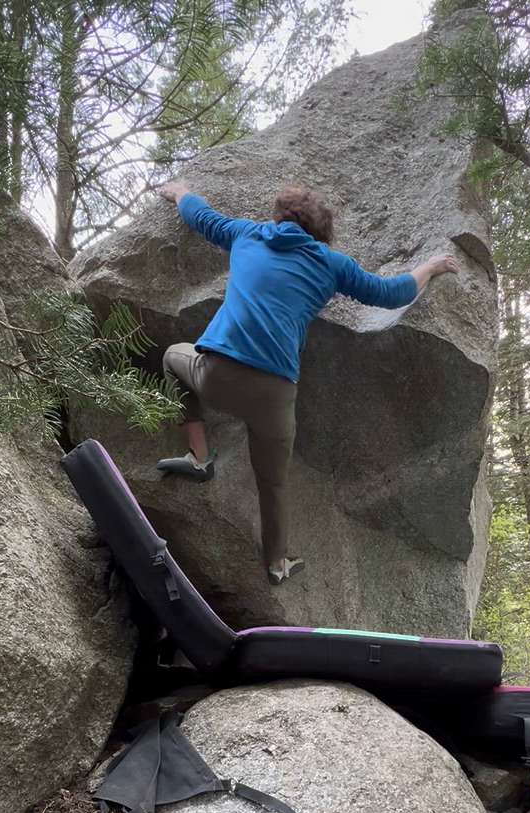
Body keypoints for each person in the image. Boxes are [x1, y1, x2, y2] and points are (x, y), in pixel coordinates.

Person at [158, 181, 458, 585]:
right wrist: (431, 267)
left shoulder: (248, 233)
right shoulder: (330, 264)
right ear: (321, 234)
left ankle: (199, 458)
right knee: (273, 484)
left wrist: (180, 191)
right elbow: (391, 293)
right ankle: (276, 565)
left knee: (173, 357)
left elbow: (200, 217)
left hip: (218, 375)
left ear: (279, 216)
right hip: (275, 394)